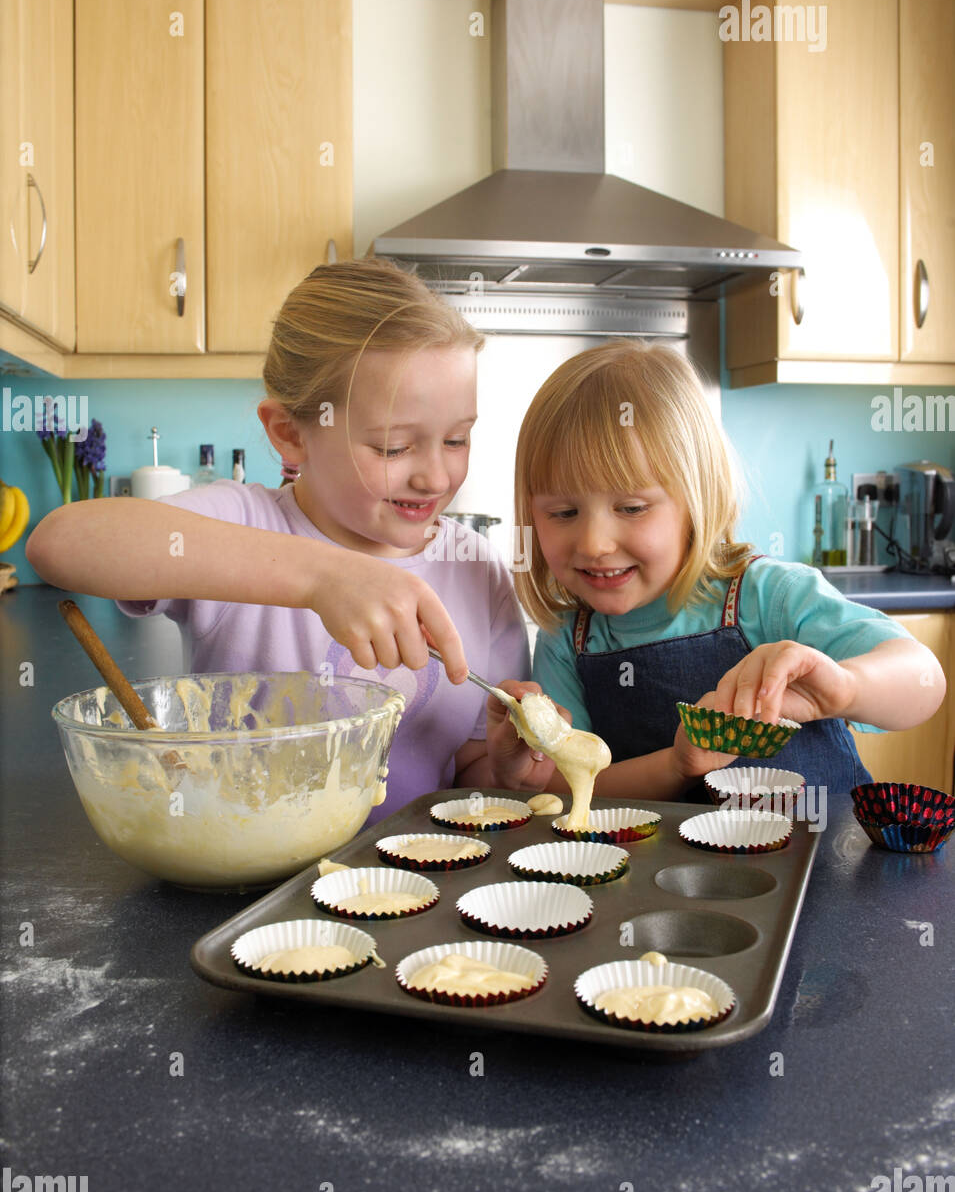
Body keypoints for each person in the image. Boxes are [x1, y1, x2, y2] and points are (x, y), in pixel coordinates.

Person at [27, 259, 555, 823]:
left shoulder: (474, 567)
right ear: (290, 433)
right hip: (249, 885)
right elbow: (61, 543)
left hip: (411, 888)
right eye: (393, 448)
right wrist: (322, 577)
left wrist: (503, 772)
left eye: (455, 439)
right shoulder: (245, 521)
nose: (435, 476)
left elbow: (463, 765)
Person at [503, 339, 946, 801]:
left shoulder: (769, 595)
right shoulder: (566, 639)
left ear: (696, 501)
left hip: (827, 866)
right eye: (563, 513)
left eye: (632, 507)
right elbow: (563, 790)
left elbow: (924, 680)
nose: (595, 544)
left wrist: (845, 689)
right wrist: (677, 766)